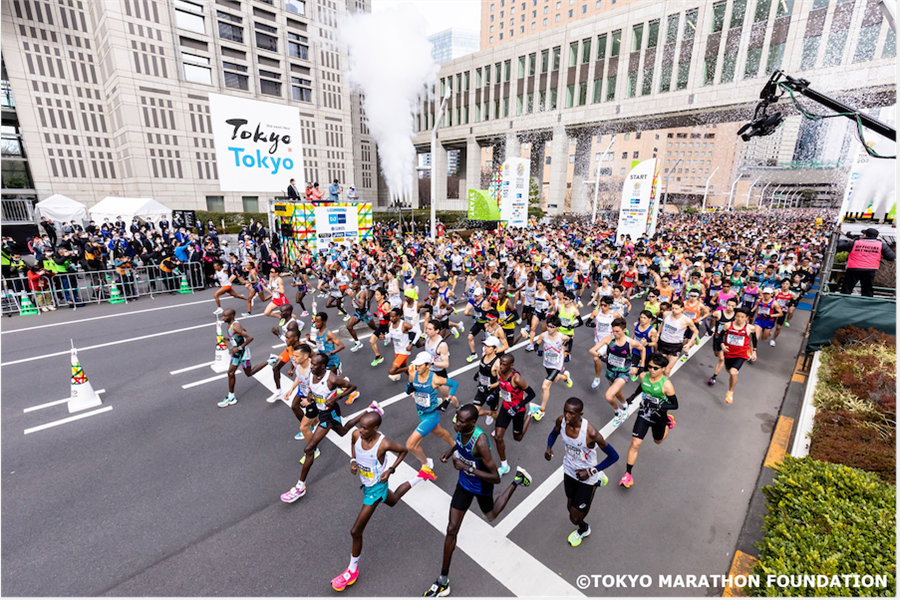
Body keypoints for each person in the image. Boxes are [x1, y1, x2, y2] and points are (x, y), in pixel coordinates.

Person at [424, 404, 532, 597]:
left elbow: (495, 477)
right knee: (451, 529)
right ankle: (443, 580)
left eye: (462, 421)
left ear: (473, 423)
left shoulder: (480, 442)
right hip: (464, 485)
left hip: (482, 486)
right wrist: (450, 452)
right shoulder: (460, 428)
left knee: (491, 515)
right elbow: (459, 441)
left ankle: (517, 481)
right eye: (457, 419)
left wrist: (468, 468)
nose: (457, 423)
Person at [331, 411, 435, 592]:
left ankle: (352, 570)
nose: (361, 431)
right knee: (393, 500)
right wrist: (353, 461)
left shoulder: (384, 444)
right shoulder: (356, 435)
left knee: (356, 531)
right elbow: (353, 443)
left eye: (365, 428)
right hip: (367, 484)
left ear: (375, 428)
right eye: (361, 426)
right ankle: (421, 476)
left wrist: (391, 470)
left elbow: (402, 451)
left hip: (376, 489)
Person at [281, 354, 375, 502]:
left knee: (309, 449)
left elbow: (352, 386)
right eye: (312, 364)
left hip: (329, 414)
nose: (312, 367)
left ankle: (300, 487)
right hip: (322, 411)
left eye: (315, 365)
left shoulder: (332, 379)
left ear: (323, 367)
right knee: (343, 432)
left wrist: (337, 397)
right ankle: (370, 410)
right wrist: (311, 396)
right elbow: (311, 389)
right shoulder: (312, 374)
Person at [544, 397, 619, 547]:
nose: (566, 415)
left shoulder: (590, 433)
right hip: (569, 470)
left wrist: (591, 471)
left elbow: (614, 456)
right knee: (569, 508)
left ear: (580, 414)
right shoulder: (561, 421)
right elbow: (553, 434)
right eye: (565, 411)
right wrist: (549, 447)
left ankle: (584, 529)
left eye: (571, 413)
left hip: (587, 475)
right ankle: (597, 479)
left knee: (575, 518)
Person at [619, 352, 678, 489]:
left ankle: (668, 424)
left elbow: (675, 405)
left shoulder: (666, 385)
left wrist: (659, 405)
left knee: (657, 441)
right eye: (650, 367)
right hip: (644, 414)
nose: (652, 370)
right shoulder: (644, 376)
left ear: (663, 369)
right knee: (635, 444)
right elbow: (643, 386)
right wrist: (632, 396)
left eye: (655, 368)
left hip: (659, 418)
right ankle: (628, 474)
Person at [405, 353, 459, 477]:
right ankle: (455, 446)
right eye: (416, 364)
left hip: (431, 415)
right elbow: (408, 388)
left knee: (410, 445)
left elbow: (454, 384)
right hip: (421, 413)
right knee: (439, 432)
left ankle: (426, 463)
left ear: (428, 365)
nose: (417, 367)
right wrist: (409, 387)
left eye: (420, 365)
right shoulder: (413, 374)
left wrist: (448, 400)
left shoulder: (435, 379)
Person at [590, 317, 645, 426]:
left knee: (609, 396)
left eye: (617, 331)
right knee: (617, 393)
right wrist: (601, 357)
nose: (615, 333)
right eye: (613, 331)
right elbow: (592, 350)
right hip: (610, 371)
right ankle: (625, 406)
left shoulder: (630, 342)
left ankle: (617, 413)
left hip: (623, 373)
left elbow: (642, 349)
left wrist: (641, 365)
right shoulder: (609, 339)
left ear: (624, 330)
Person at [493, 354, 536, 477]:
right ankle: (504, 465)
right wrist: (494, 393)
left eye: (504, 364)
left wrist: (517, 407)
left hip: (518, 410)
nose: (501, 366)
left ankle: (530, 413)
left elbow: (532, 394)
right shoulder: (501, 372)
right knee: (498, 437)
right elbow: (501, 386)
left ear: (511, 365)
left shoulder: (516, 379)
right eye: (500, 363)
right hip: (506, 407)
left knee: (518, 438)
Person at [217, 308, 268, 407]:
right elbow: (238, 336)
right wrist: (228, 339)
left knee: (249, 373)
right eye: (222, 316)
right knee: (230, 373)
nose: (223, 318)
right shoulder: (230, 325)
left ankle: (269, 361)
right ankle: (231, 396)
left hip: (243, 353)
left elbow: (250, 337)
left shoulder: (236, 326)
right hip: (236, 353)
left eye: (225, 316)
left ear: (232, 316)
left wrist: (239, 347)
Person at [530, 315, 574, 422]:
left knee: (545, 386)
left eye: (552, 327)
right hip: (547, 363)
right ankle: (565, 377)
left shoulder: (562, 337)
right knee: (554, 380)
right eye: (548, 326)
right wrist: (537, 351)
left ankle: (542, 410)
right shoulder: (543, 335)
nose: (549, 328)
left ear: (557, 327)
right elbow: (536, 344)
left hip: (557, 365)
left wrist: (567, 352)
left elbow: (570, 340)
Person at [837, 228, 895, 297]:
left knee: (846, 289)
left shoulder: (855, 242)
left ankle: (842, 304)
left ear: (865, 235)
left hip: (853, 268)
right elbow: (891, 257)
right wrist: (880, 256)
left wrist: (846, 241)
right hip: (870, 269)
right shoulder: (881, 245)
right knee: (867, 290)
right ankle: (866, 305)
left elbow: (839, 246)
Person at [721, 308, 759, 405]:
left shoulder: (750, 328)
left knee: (733, 373)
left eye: (742, 317)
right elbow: (720, 336)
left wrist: (754, 351)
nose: (739, 319)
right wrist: (722, 344)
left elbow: (754, 340)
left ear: (746, 318)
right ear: (735, 316)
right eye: (737, 316)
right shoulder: (728, 325)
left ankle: (730, 392)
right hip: (729, 352)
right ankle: (733, 375)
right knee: (729, 371)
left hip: (741, 354)